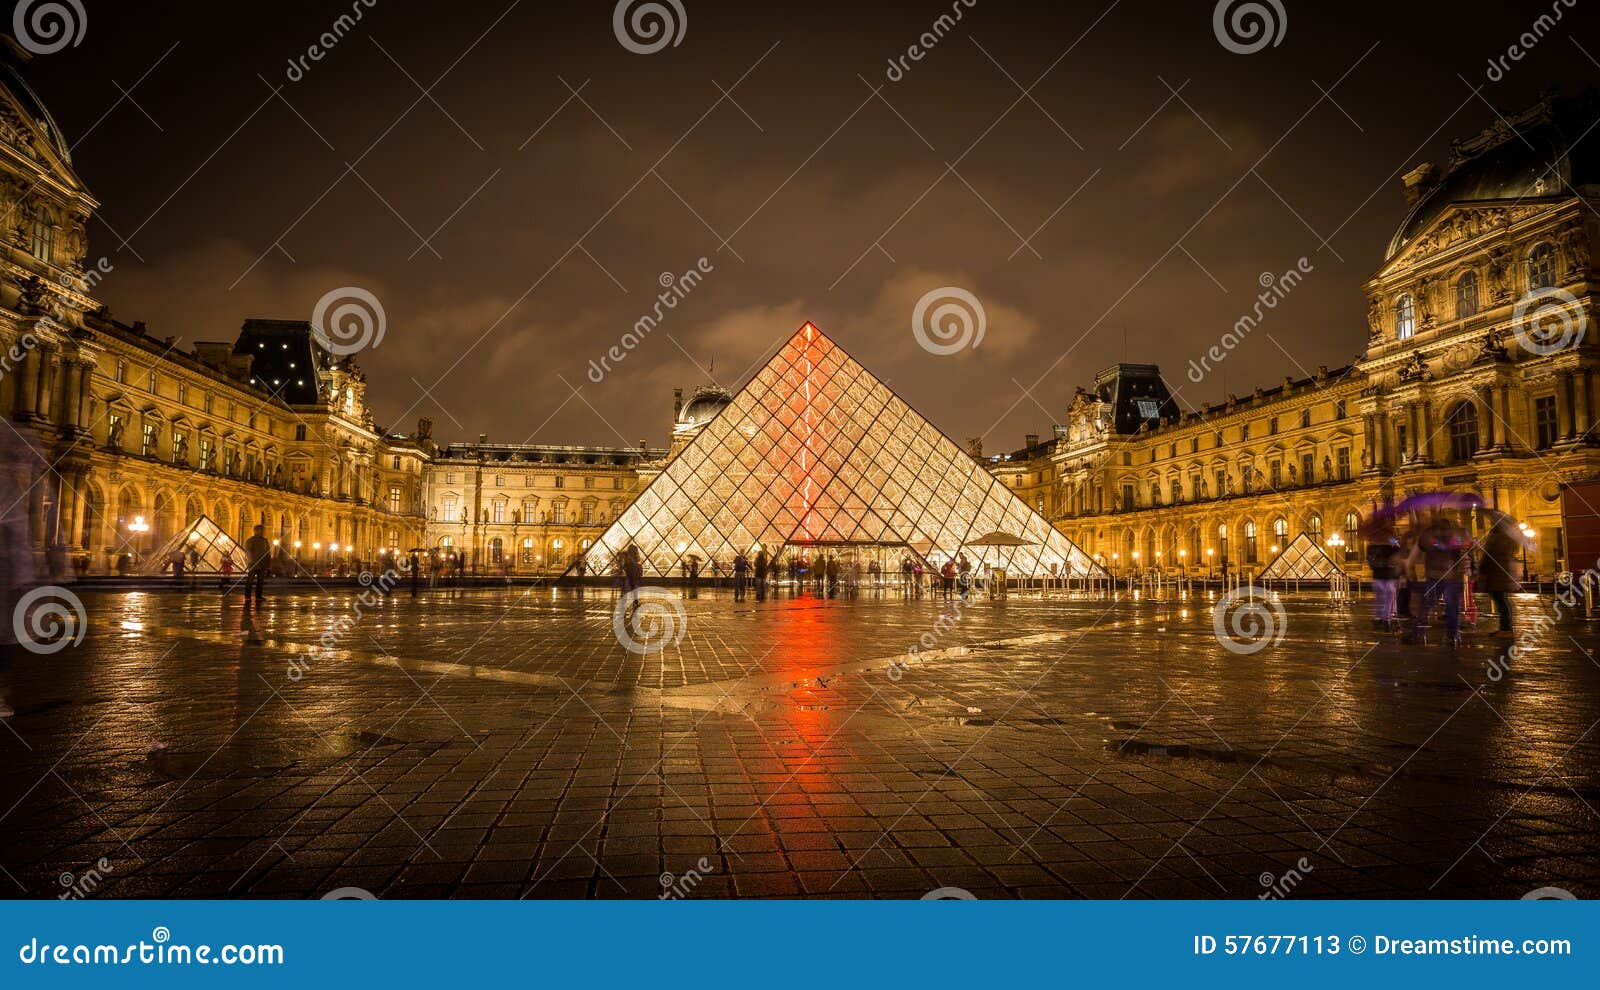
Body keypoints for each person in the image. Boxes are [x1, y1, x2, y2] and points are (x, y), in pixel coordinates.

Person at [1403, 512, 1474, 648]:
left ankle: (1418, 633)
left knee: (1426, 606)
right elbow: (1465, 549)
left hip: (1435, 576)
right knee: (1452, 607)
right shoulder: (1458, 535)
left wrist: (1409, 566)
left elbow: (1419, 549)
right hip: (1453, 576)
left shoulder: (1429, 535)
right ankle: (1452, 636)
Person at [1477, 513, 1522, 637]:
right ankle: (1505, 628)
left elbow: (1491, 554)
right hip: (1500, 571)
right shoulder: (1505, 536)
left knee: (1501, 600)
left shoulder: (1499, 537)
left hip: (1497, 572)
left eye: (1493, 522)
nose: (1491, 523)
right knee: (1501, 599)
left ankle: (1506, 629)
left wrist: (1483, 566)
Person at [1366, 528, 1402, 629]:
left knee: (1383, 598)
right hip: (1384, 576)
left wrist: (1394, 541)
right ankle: (1382, 619)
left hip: (1383, 576)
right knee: (1385, 597)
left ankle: (1382, 619)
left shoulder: (1373, 547)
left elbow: (1398, 550)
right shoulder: (1377, 547)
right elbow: (1398, 549)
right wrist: (1394, 541)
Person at [243, 524, 271, 604]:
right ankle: (247, 596)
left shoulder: (265, 541)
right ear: (256, 531)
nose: (263, 532)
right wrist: (251, 561)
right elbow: (248, 551)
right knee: (250, 580)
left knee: (260, 581)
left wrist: (268, 565)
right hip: (253, 564)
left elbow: (268, 553)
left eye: (263, 530)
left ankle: (258, 596)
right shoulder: (251, 540)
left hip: (262, 564)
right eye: (261, 530)